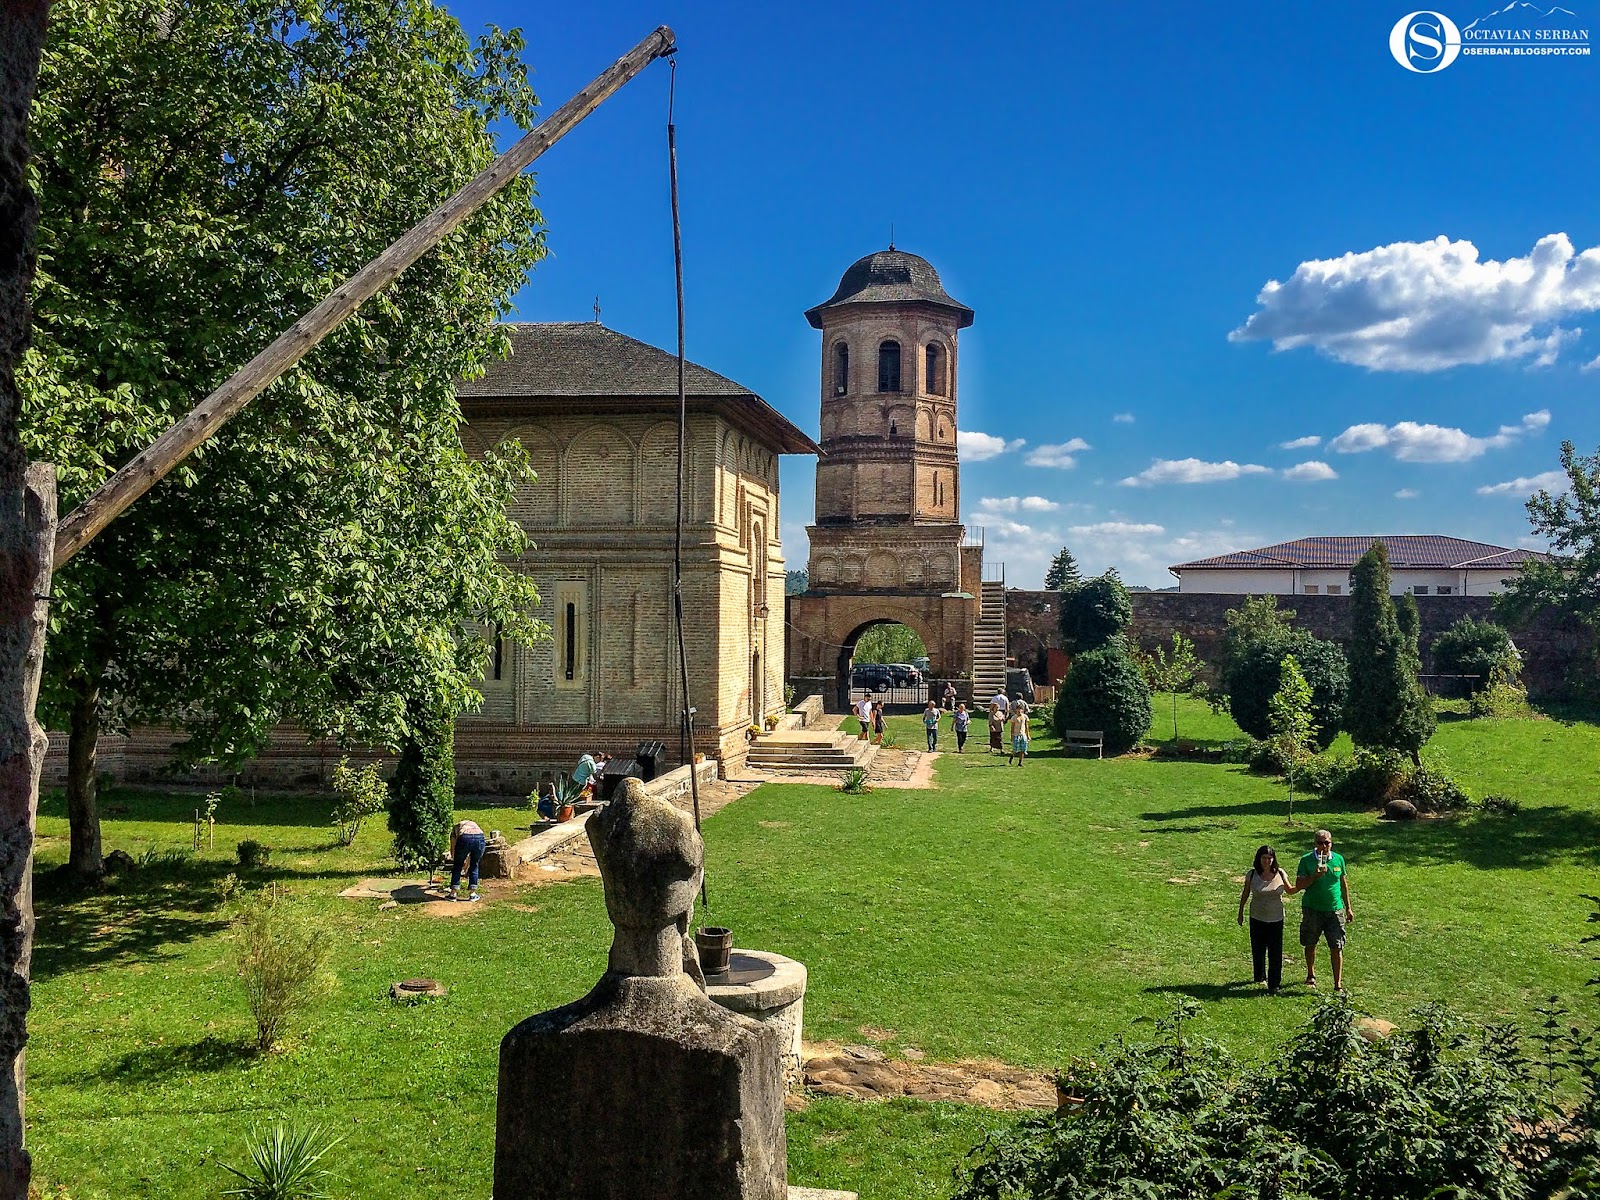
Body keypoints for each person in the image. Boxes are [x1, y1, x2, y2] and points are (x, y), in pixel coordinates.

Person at [1295, 829, 1353, 991]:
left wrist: (1348, 907)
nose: (1324, 846)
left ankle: (1337, 984)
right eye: (1320, 843)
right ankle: (1310, 975)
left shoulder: (1338, 859)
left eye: (1327, 842)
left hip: (1335, 910)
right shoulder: (1306, 860)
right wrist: (1314, 876)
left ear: (1331, 843)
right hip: (1312, 908)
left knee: (1336, 945)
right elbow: (1299, 885)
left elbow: (1343, 884)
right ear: (1315, 844)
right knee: (1310, 942)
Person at [1236, 845, 1298, 993]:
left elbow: (1290, 890)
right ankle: (1259, 976)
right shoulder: (1252, 874)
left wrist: (1306, 883)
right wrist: (1240, 912)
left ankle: (1274, 983)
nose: (1267, 861)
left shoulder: (1280, 873)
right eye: (1264, 858)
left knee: (1275, 951)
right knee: (1258, 948)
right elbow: (1245, 893)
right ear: (1259, 859)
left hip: (1276, 918)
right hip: (1257, 916)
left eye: (1270, 858)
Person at [446, 817, 486, 901]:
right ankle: (473, 894)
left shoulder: (455, 829)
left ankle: (453, 893)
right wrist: (467, 863)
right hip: (480, 837)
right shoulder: (474, 825)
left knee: (457, 866)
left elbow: (453, 846)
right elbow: (470, 854)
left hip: (464, 837)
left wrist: (455, 858)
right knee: (474, 865)